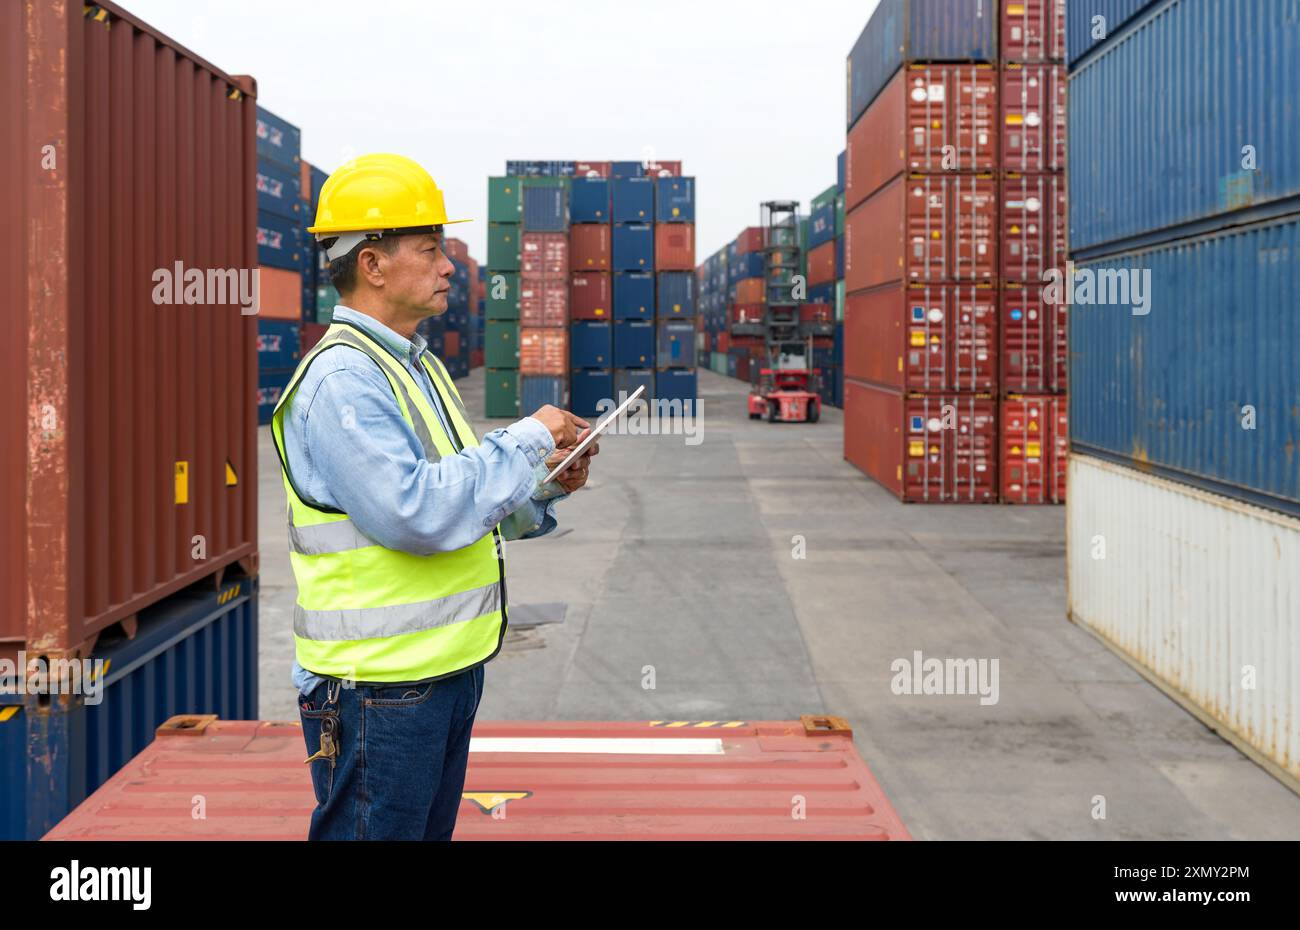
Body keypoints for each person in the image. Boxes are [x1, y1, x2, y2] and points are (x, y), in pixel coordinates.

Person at [270, 153, 596, 840]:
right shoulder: (343, 380)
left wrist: (543, 484)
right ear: (373, 264)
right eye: (430, 248)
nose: (450, 266)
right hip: (377, 688)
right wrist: (530, 437)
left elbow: (461, 493)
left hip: (440, 675)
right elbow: (411, 512)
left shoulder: (418, 366)